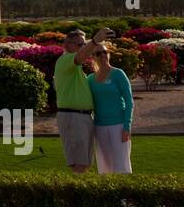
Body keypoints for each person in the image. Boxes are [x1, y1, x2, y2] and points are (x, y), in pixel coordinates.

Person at [52, 28, 109, 173]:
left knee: (82, 163)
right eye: (81, 44)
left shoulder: (74, 67)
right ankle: (76, 195)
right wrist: (95, 41)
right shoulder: (65, 60)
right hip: (74, 117)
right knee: (79, 164)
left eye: (84, 44)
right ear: (67, 45)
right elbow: (80, 56)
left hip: (79, 117)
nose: (84, 47)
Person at [87, 43, 134, 174]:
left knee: (121, 166)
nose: (103, 55)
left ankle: (124, 194)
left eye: (105, 52)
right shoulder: (90, 79)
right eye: (98, 53)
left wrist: (127, 126)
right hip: (99, 127)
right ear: (93, 57)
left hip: (118, 126)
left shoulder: (118, 74)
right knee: (104, 167)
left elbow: (129, 101)